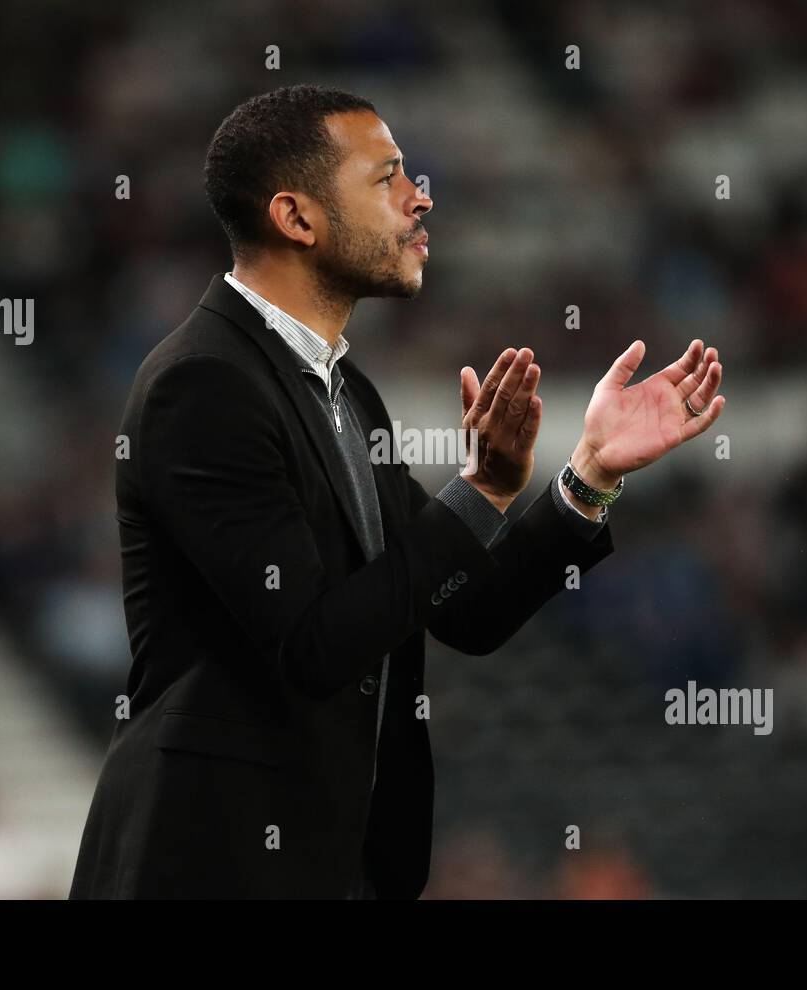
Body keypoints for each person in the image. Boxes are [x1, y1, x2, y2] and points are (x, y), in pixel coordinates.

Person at [68, 84, 725, 899]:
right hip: (210, 860)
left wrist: (590, 475)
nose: (422, 197)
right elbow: (312, 647)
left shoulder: (346, 394)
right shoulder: (203, 384)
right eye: (388, 178)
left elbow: (464, 610)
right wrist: (480, 490)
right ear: (297, 217)